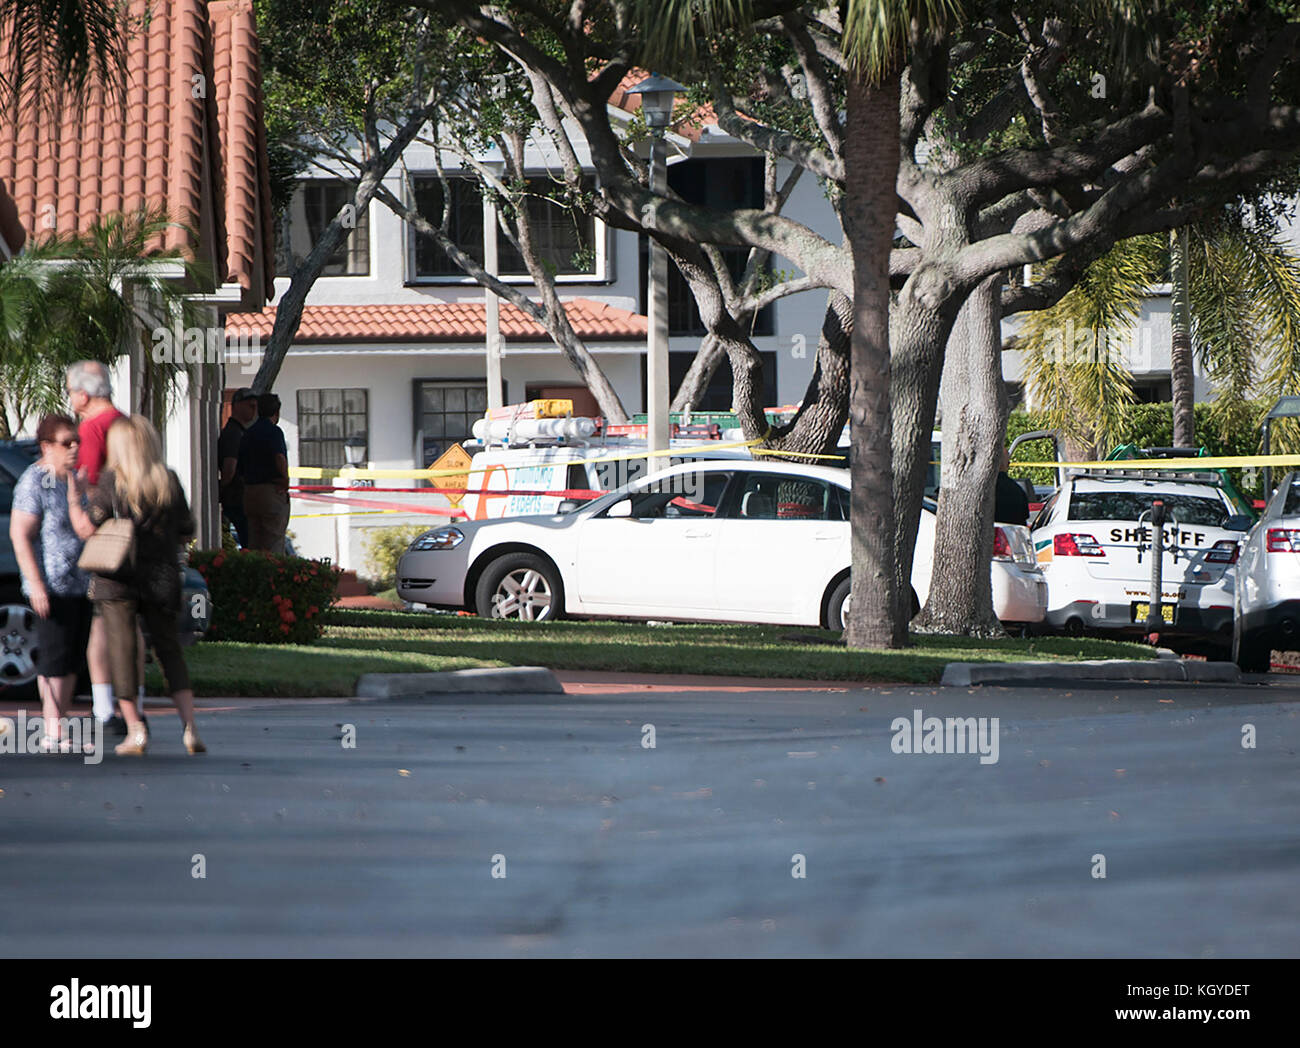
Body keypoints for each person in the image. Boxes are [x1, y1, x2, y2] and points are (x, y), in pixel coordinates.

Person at [80, 415, 205, 756]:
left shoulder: (111, 481)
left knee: (122, 651)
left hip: (117, 577)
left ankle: (135, 730)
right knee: (169, 650)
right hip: (161, 576)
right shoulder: (168, 481)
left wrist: (75, 498)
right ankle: (190, 727)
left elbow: (90, 525)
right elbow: (186, 528)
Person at [8, 416, 95, 751]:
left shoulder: (70, 480)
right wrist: (36, 583)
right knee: (54, 657)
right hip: (51, 583)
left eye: (76, 442)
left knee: (72, 656)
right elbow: (21, 535)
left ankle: (58, 726)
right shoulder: (34, 482)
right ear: (46, 446)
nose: (74, 448)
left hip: (78, 582)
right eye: (66, 443)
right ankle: (52, 729)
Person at [64, 361, 126, 726]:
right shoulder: (128, 423)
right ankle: (133, 703)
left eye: (71, 391)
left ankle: (104, 708)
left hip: (104, 535)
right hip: (137, 533)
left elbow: (85, 482)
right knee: (129, 621)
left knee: (101, 622)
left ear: (83, 394)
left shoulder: (92, 428)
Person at [239, 392, 290, 554]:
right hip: (271, 492)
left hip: (250, 492)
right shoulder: (274, 432)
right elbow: (279, 457)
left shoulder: (247, 433)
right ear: (277, 412)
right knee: (273, 543)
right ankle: (272, 578)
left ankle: (256, 577)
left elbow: (240, 465)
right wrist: (285, 479)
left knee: (254, 542)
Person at [218, 388, 258, 546]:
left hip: (241, 498)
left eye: (255, 406)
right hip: (236, 498)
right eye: (250, 405)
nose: (254, 410)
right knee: (250, 543)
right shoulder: (234, 433)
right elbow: (229, 467)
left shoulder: (240, 432)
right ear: (236, 406)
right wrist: (223, 486)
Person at [994, 446, 1030, 526]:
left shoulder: (983, 490)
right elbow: (1024, 518)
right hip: (1013, 535)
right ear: (1008, 464)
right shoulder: (1018, 490)